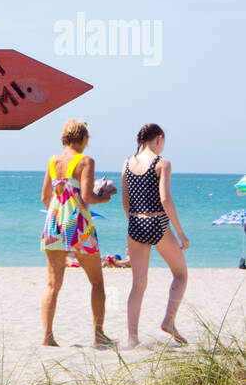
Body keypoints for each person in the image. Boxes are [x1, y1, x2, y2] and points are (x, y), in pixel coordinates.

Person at [41, 118, 116, 348]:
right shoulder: (85, 161)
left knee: (53, 285)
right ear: (83, 139)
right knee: (97, 283)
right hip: (78, 226)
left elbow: (45, 197)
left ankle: (47, 336)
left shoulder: (53, 161)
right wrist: (104, 196)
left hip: (54, 223)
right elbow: (87, 197)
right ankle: (99, 334)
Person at [121, 123, 188, 347]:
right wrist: (180, 234)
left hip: (135, 223)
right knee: (180, 274)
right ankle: (169, 321)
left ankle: (132, 338)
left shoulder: (127, 164)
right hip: (157, 221)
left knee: (138, 285)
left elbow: (126, 203)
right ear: (159, 138)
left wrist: (132, 229)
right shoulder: (162, 163)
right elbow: (165, 200)